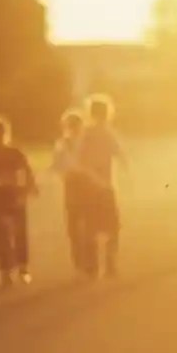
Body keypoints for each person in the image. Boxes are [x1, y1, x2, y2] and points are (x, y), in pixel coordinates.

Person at [0, 115, 39, 287]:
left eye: (1, 133)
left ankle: (22, 267)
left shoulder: (15, 153)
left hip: (13, 193)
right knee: (1, 234)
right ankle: (5, 269)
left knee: (19, 232)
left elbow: (25, 172)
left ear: (7, 134)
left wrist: (26, 190)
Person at [74, 94, 129, 279]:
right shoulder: (106, 133)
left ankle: (93, 266)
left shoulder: (87, 133)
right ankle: (109, 263)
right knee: (112, 226)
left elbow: (81, 160)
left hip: (92, 184)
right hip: (103, 184)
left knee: (92, 226)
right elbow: (120, 154)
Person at [50, 110, 92, 275]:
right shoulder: (64, 143)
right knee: (77, 223)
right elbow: (58, 164)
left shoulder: (79, 142)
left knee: (81, 223)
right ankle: (82, 260)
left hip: (80, 182)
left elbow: (58, 165)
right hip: (75, 182)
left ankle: (84, 260)